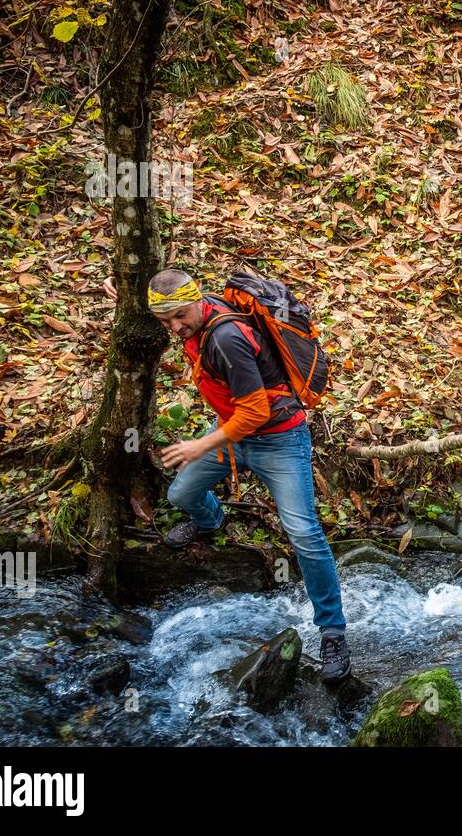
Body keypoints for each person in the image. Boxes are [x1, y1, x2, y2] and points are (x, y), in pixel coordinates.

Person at [103, 270, 352, 682]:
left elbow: (256, 412)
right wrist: (123, 293)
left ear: (198, 302)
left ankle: (332, 632)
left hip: (279, 439)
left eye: (180, 317)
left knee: (304, 533)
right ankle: (209, 520)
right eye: (165, 322)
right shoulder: (188, 313)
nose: (174, 328)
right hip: (233, 432)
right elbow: (162, 295)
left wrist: (200, 446)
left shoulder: (226, 338)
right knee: (182, 493)